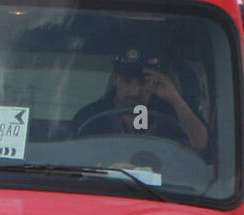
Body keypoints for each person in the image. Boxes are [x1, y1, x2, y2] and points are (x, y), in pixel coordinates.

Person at [71, 47, 209, 151]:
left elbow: (200, 145)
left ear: (154, 82)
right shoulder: (89, 117)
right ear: (115, 79)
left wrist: (175, 99)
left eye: (143, 82)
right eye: (127, 81)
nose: (135, 91)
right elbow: (75, 159)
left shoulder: (171, 118)